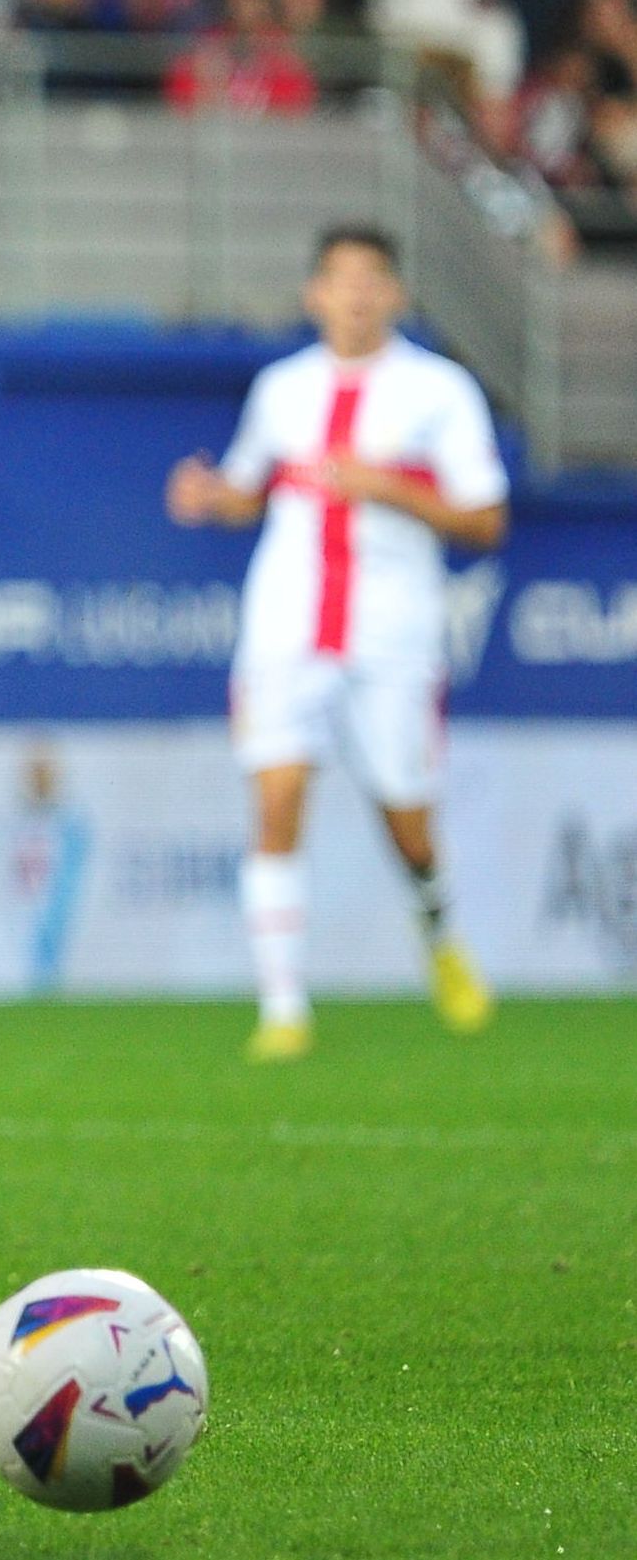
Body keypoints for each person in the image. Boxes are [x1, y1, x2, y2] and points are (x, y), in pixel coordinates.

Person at [166, 226, 506, 1062]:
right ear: (314, 292)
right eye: (339, 278)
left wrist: (386, 486)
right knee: (277, 797)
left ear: (396, 293)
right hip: (284, 626)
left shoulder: (440, 390)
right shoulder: (282, 388)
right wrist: (213, 496)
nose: (355, 293)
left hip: (393, 633)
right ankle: (283, 1009)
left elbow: (487, 519)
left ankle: (441, 931)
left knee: (409, 824)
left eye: (372, 279)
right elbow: (255, 491)